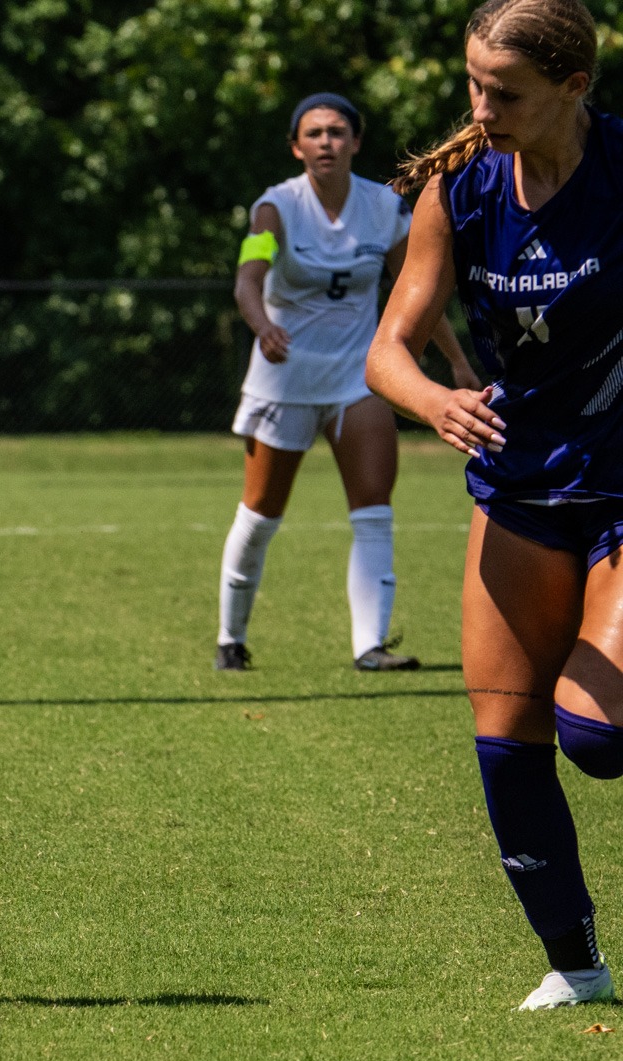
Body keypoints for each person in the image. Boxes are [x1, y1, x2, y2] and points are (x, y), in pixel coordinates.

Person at [368, 0, 621, 1010]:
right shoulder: (457, 190)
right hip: (520, 487)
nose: (481, 106)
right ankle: (578, 967)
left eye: (505, 92)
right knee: (509, 744)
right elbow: (390, 347)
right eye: (473, 84)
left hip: (620, 485)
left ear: (574, 87)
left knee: (599, 738)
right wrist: (435, 400)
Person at [217, 94, 479, 672]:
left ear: (356, 142)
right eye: (313, 133)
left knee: (373, 509)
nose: (326, 142)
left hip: (357, 379)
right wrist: (262, 326)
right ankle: (229, 639)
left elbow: (420, 294)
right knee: (261, 514)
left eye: (338, 132)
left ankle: (371, 646)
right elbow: (247, 281)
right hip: (283, 380)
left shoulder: (384, 207)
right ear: (296, 146)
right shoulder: (275, 208)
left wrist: (457, 364)